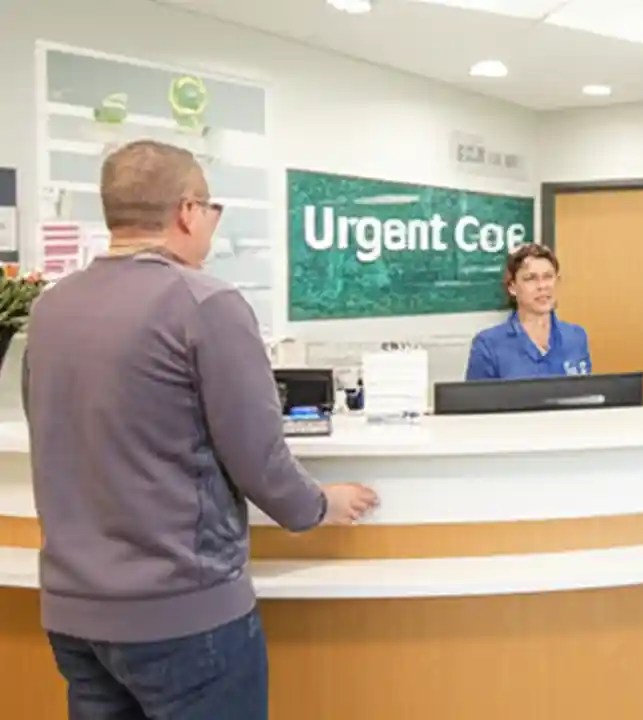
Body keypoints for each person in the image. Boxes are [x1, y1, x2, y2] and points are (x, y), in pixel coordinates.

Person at [21, 140, 379, 719]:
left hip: (74, 615)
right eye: (212, 210)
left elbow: (52, 434)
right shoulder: (204, 302)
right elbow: (259, 459)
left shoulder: (50, 308)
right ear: (187, 211)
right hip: (183, 618)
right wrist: (319, 506)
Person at [465, 243, 592, 381]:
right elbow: (477, 401)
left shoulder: (576, 337)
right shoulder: (488, 345)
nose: (542, 286)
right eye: (530, 278)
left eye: (548, 277)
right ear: (512, 287)